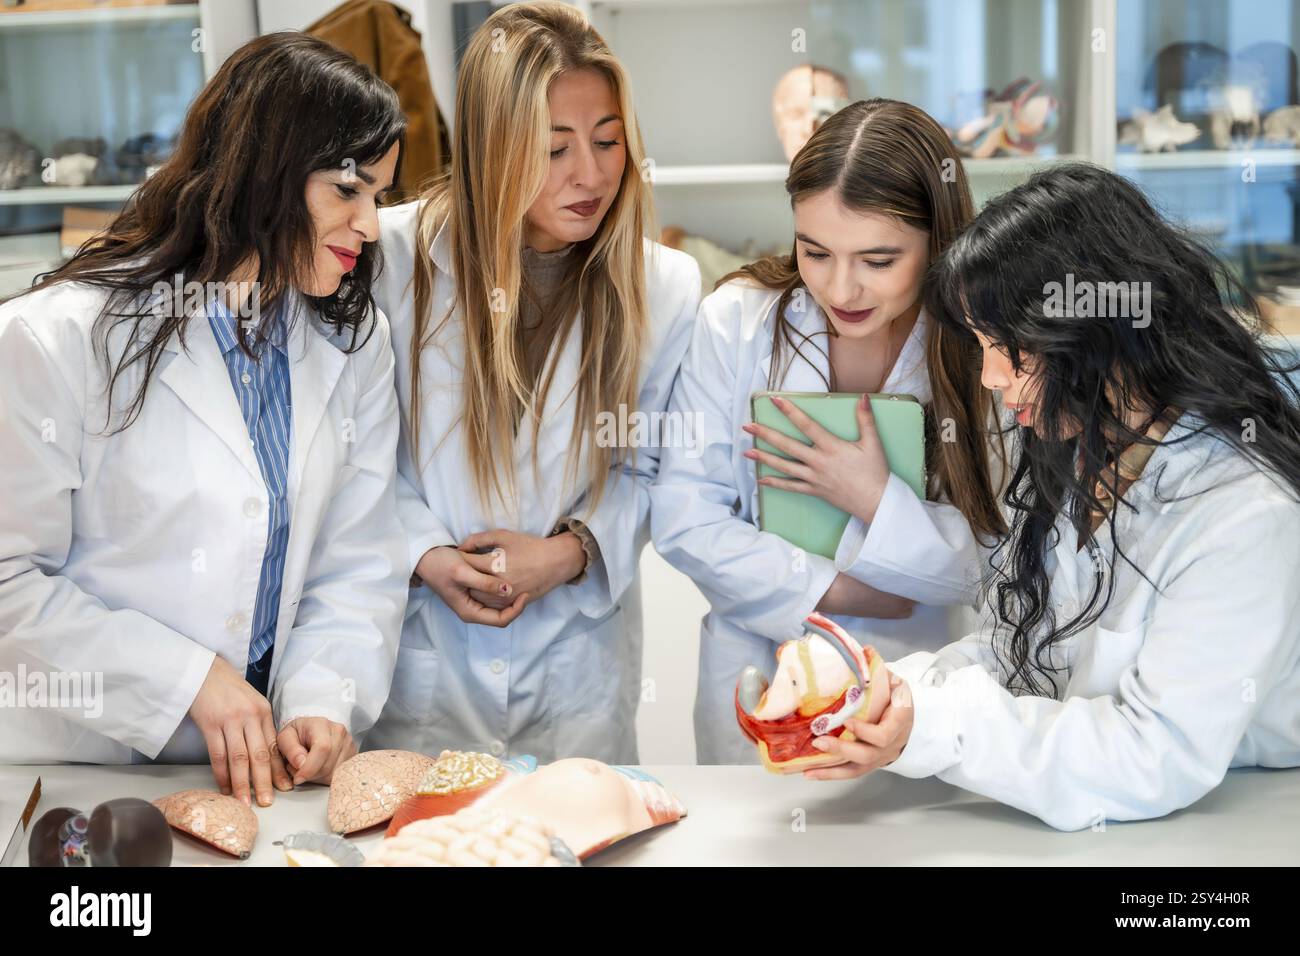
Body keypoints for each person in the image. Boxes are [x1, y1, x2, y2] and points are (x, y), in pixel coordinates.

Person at [806, 163, 1300, 831]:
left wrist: (931, 727)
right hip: (1107, 821)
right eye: (984, 347)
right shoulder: (1079, 444)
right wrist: (897, 698)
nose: (989, 378)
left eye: (1010, 350)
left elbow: (1151, 754)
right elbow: (1026, 649)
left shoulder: (1243, 513)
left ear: (1100, 334)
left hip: (1235, 824)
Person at [0, 33, 409, 807]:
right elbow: (8, 581)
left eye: (379, 197)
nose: (370, 224)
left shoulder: (352, 341)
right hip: (81, 770)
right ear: (268, 173)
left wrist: (323, 697)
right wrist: (186, 681)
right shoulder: (57, 338)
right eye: (347, 192)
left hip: (266, 781)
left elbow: (358, 557)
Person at [365, 1, 700, 764]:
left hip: (575, 671)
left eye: (608, 140)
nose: (591, 174)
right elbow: (354, 452)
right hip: (423, 663)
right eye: (554, 150)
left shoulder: (666, 286)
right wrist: (423, 551)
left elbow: (654, 467)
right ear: (492, 146)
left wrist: (573, 552)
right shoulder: (389, 258)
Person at [651, 98, 1005, 764]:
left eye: (878, 260)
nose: (841, 288)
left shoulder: (981, 346)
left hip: (919, 688)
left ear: (939, 242)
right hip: (758, 670)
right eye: (815, 252)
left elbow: (1002, 551)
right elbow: (685, 516)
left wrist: (874, 498)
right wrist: (834, 591)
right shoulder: (737, 322)